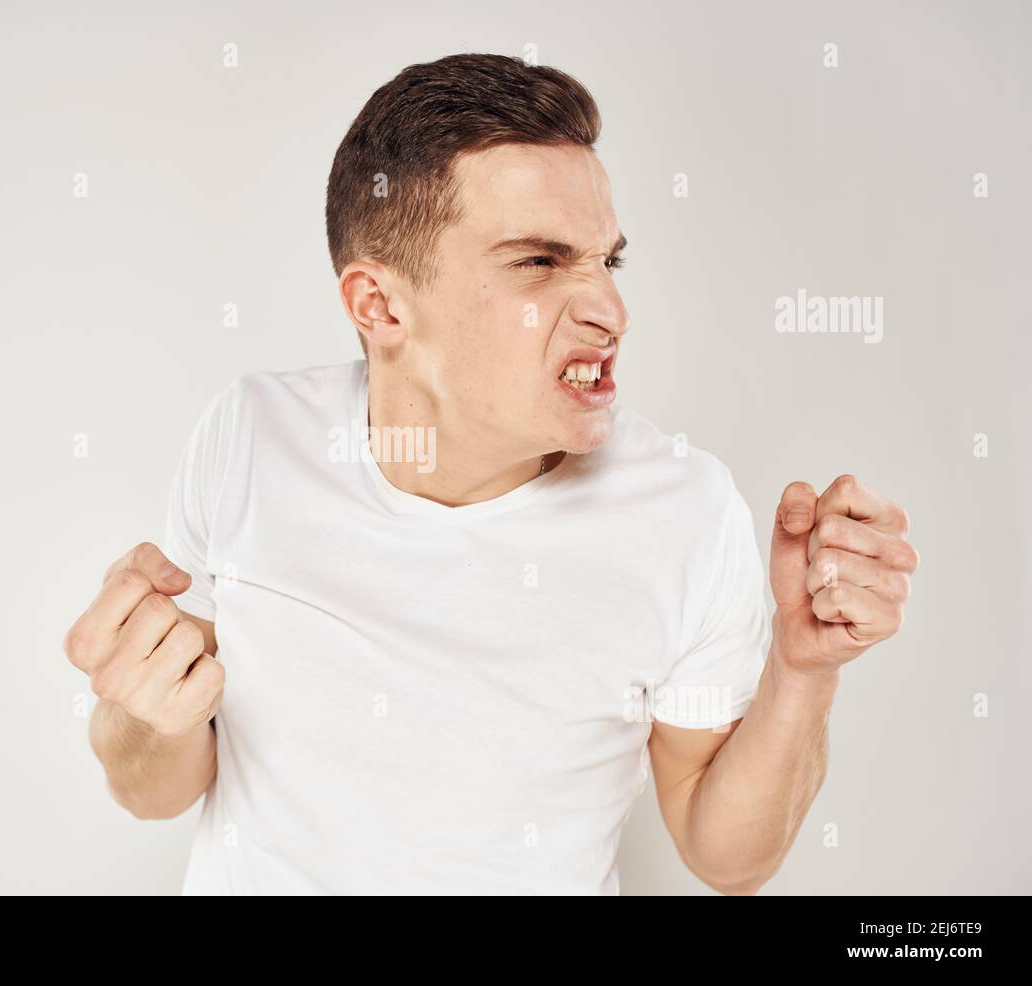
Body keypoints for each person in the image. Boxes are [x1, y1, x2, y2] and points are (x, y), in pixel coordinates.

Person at [63, 53, 918, 895]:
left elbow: (728, 858)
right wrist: (138, 714)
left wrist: (803, 673)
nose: (610, 311)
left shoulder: (687, 511)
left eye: (607, 261)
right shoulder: (251, 437)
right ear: (380, 305)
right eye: (540, 263)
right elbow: (153, 790)